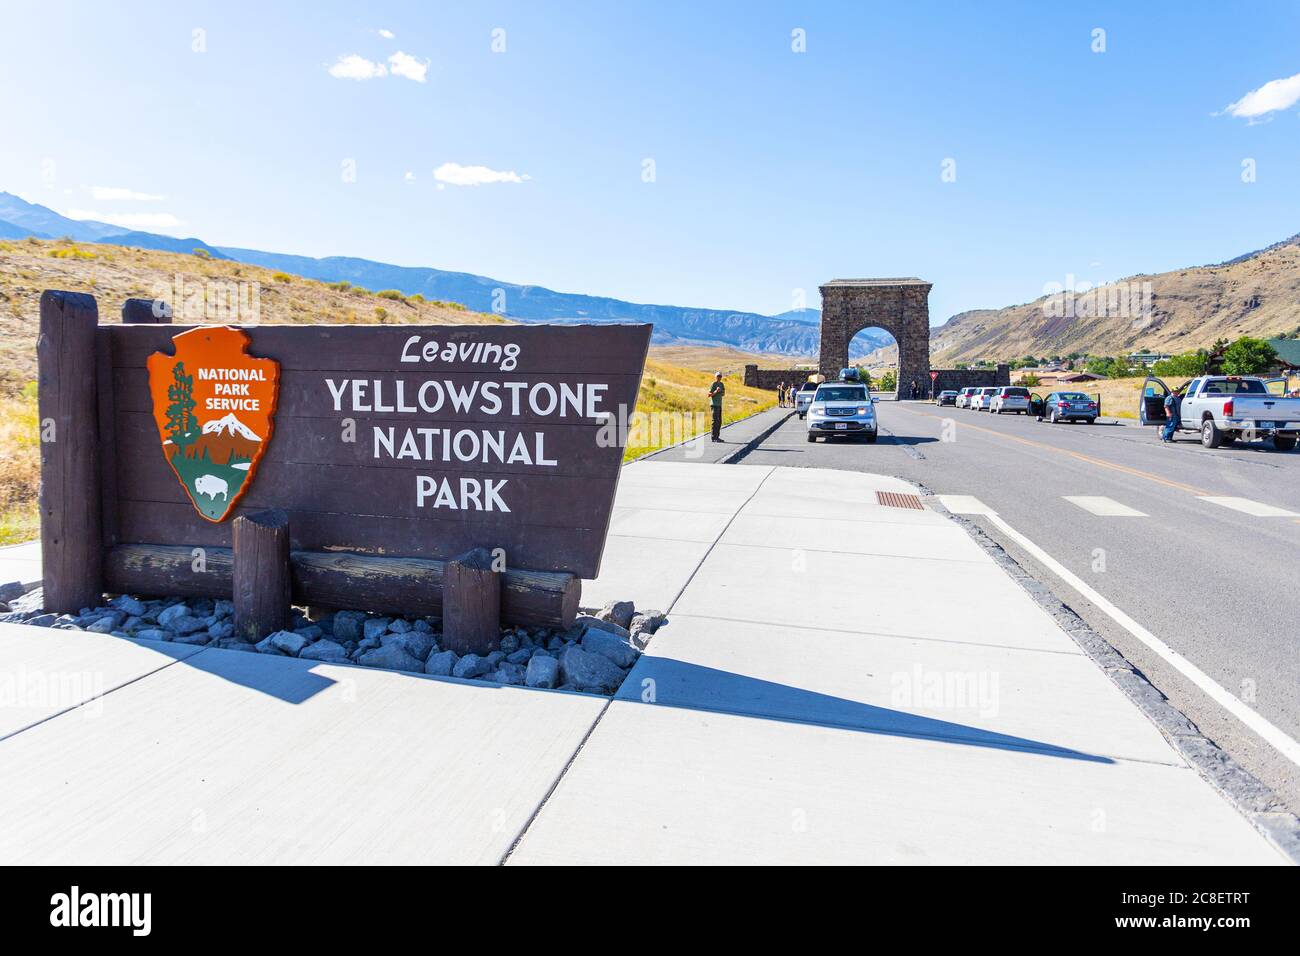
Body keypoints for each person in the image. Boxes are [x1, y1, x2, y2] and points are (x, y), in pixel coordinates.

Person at [709, 372, 725, 441]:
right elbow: (709, 395)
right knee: (715, 421)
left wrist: (721, 391)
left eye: (720, 376)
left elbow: (723, 394)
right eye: (718, 376)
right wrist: (716, 391)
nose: (719, 377)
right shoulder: (713, 384)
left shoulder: (721, 384)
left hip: (719, 404)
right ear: (715, 377)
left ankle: (717, 437)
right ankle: (713, 437)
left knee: (719, 421)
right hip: (714, 404)